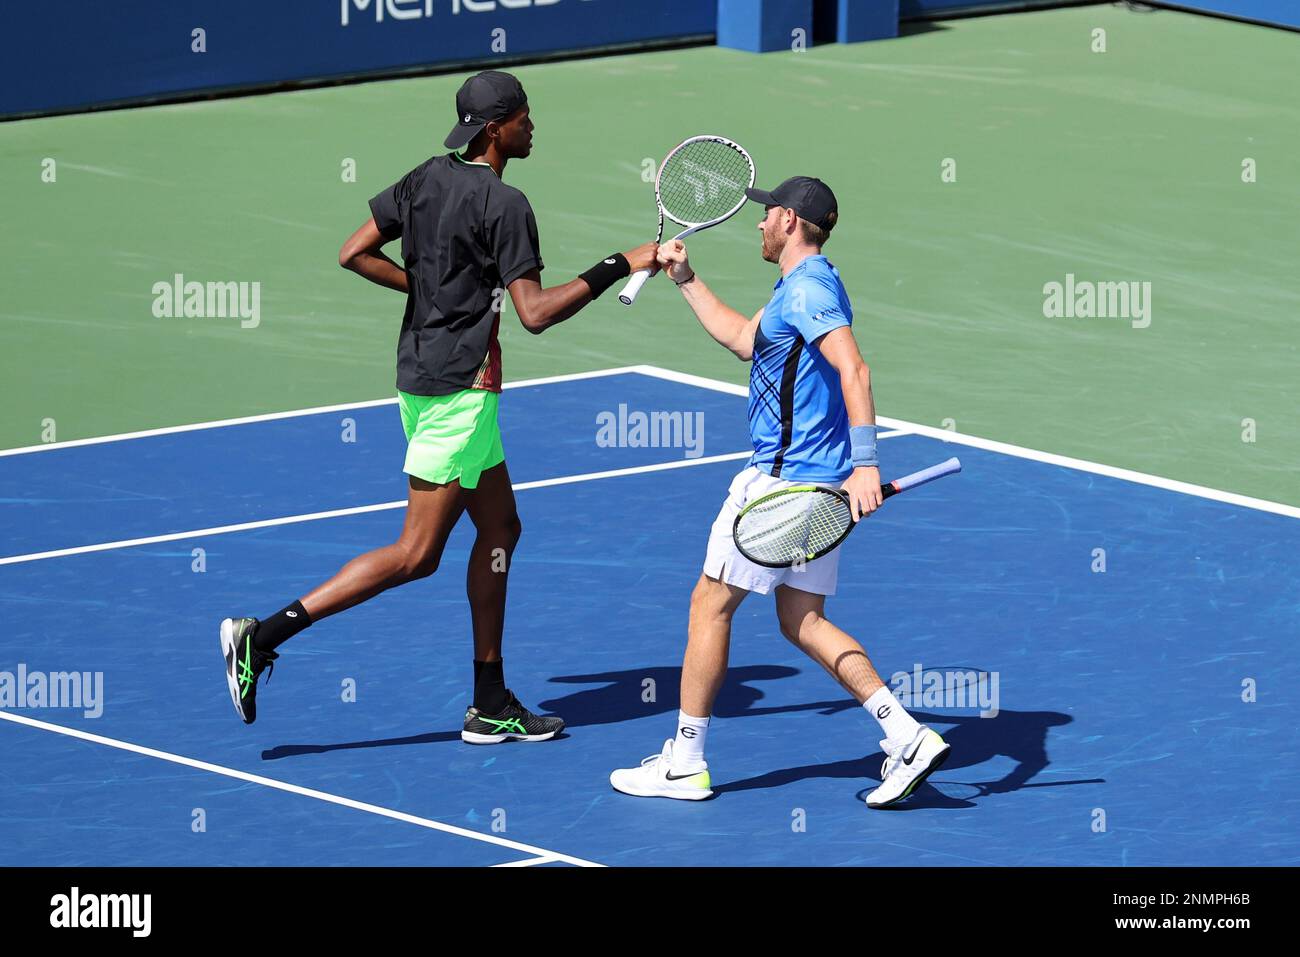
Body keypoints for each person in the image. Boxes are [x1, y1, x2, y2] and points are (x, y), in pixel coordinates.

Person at [220, 70, 658, 744]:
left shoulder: (424, 177)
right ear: (496, 128)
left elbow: (353, 252)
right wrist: (618, 264)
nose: (532, 127)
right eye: (524, 117)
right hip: (461, 394)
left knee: (502, 529)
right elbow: (535, 314)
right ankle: (261, 635)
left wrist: (426, 294)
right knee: (416, 554)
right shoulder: (505, 203)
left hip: (422, 383)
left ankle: (490, 700)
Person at [609, 176, 949, 807]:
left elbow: (855, 368)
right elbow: (745, 341)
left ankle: (684, 763)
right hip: (816, 487)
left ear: (790, 220)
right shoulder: (806, 285)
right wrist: (687, 280)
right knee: (803, 620)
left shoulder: (810, 291)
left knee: (709, 604)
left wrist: (868, 464)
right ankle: (904, 735)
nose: (759, 223)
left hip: (781, 485)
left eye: (767, 215)